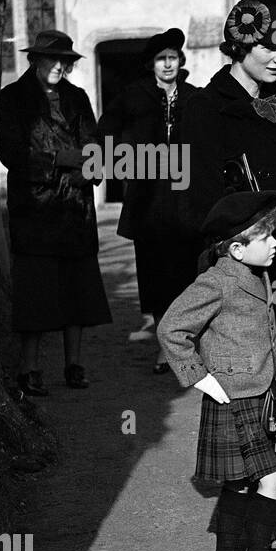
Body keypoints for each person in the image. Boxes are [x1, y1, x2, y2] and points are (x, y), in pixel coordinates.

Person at [179, 0, 276, 542]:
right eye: (267, 47)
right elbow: (195, 201)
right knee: (246, 386)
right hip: (236, 268)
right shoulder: (206, 107)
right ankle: (251, 519)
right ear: (240, 44)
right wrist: (238, 246)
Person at [157, 191, 276, 551]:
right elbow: (171, 329)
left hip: (257, 392)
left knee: (240, 484)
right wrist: (201, 378)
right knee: (272, 482)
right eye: (266, 238)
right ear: (238, 248)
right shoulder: (217, 281)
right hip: (234, 395)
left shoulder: (253, 274)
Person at [0, 29, 112, 397]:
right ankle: (28, 369)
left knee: (76, 290)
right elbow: (11, 153)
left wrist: (89, 170)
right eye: (52, 59)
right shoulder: (13, 98)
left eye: (66, 60)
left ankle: (74, 365)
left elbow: (93, 143)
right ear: (34, 60)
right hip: (35, 208)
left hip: (75, 207)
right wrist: (59, 159)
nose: (60, 66)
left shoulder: (76, 98)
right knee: (36, 292)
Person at [96, 27, 201, 374]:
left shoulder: (194, 97)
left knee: (188, 270)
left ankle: (185, 343)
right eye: (161, 59)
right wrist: (124, 166)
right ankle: (162, 343)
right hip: (149, 200)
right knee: (156, 273)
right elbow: (106, 132)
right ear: (151, 64)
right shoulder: (132, 96)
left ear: (180, 61)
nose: (168, 64)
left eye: (172, 58)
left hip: (187, 198)